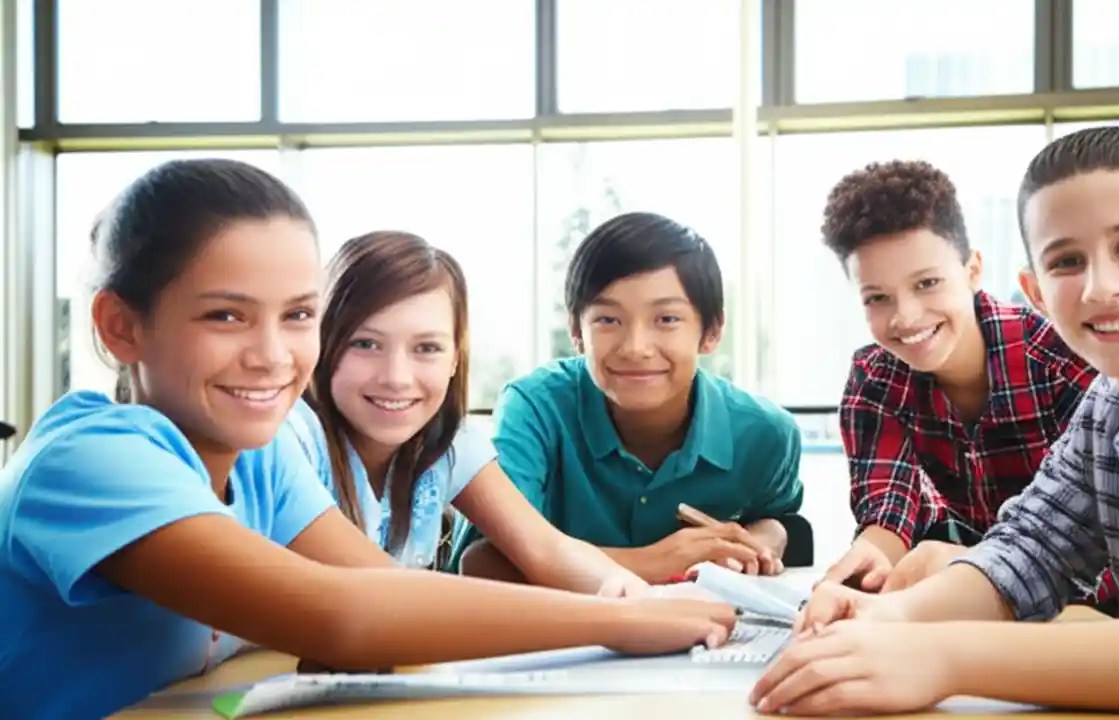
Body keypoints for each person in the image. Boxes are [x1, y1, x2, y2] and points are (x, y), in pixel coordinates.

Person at [0, 159, 734, 719]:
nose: (271, 355)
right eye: (225, 316)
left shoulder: (260, 459)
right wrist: (621, 620)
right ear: (121, 326)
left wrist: (628, 611)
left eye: (296, 316)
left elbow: (383, 594)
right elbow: (340, 613)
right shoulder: (89, 457)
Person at [749, 127, 1119, 716]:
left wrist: (942, 656)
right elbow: (1028, 551)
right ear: (1037, 292)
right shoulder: (1104, 410)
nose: (1103, 286)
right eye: (1067, 261)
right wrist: (884, 617)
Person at [451, 211, 808, 583]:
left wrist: (761, 539)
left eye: (666, 319)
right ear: (576, 331)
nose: (635, 348)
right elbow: (483, 564)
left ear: (712, 331)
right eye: (608, 320)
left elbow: (781, 519)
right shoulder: (535, 408)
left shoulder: (766, 433)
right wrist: (655, 562)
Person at [283, 230, 647, 593]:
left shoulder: (448, 441)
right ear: (322, 342)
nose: (396, 378)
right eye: (366, 344)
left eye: (426, 348)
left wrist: (635, 594)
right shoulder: (291, 438)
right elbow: (388, 598)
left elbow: (547, 549)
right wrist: (617, 620)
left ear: (455, 357)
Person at [816, 159, 1106, 600]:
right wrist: (870, 558)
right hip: (977, 604)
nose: (906, 317)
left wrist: (969, 565)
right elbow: (889, 505)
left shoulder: (1061, 360)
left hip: (1088, 615)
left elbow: (1105, 535)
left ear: (972, 271)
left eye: (928, 283)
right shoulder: (875, 378)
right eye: (877, 297)